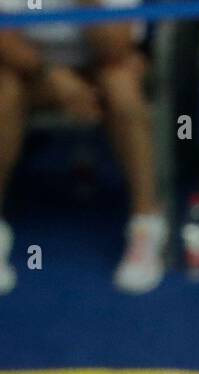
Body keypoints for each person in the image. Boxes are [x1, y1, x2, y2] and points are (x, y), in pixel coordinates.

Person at [0, 0, 167, 294]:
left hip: (99, 66)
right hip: (29, 68)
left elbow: (116, 48)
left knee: (122, 85)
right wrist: (50, 75)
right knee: (5, 92)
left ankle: (146, 225)